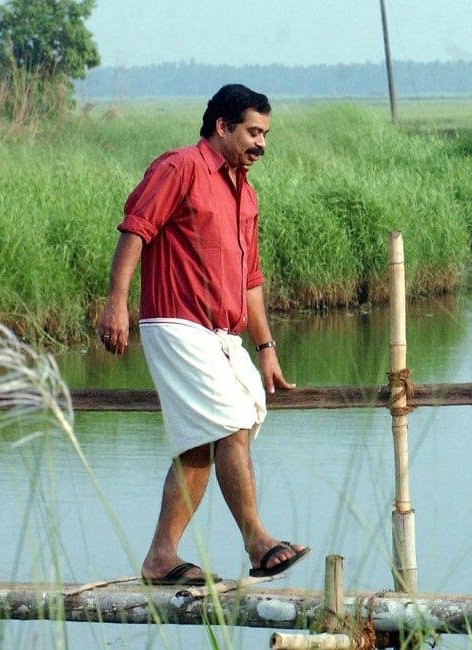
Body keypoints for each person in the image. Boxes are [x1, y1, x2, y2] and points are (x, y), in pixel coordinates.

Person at [97, 84, 309, 586]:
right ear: (222, 126)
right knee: (230, 424)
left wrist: (266, 349)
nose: (261, 144)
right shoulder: (180, 167)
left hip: (222, 334)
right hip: (176, 323)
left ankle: (160, 557)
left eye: (265, 134)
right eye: (253, 132)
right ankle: (258, 541)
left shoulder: (246, 192)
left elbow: (251, 280)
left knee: (201, 442)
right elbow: (135, 231)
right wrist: (116, 304)